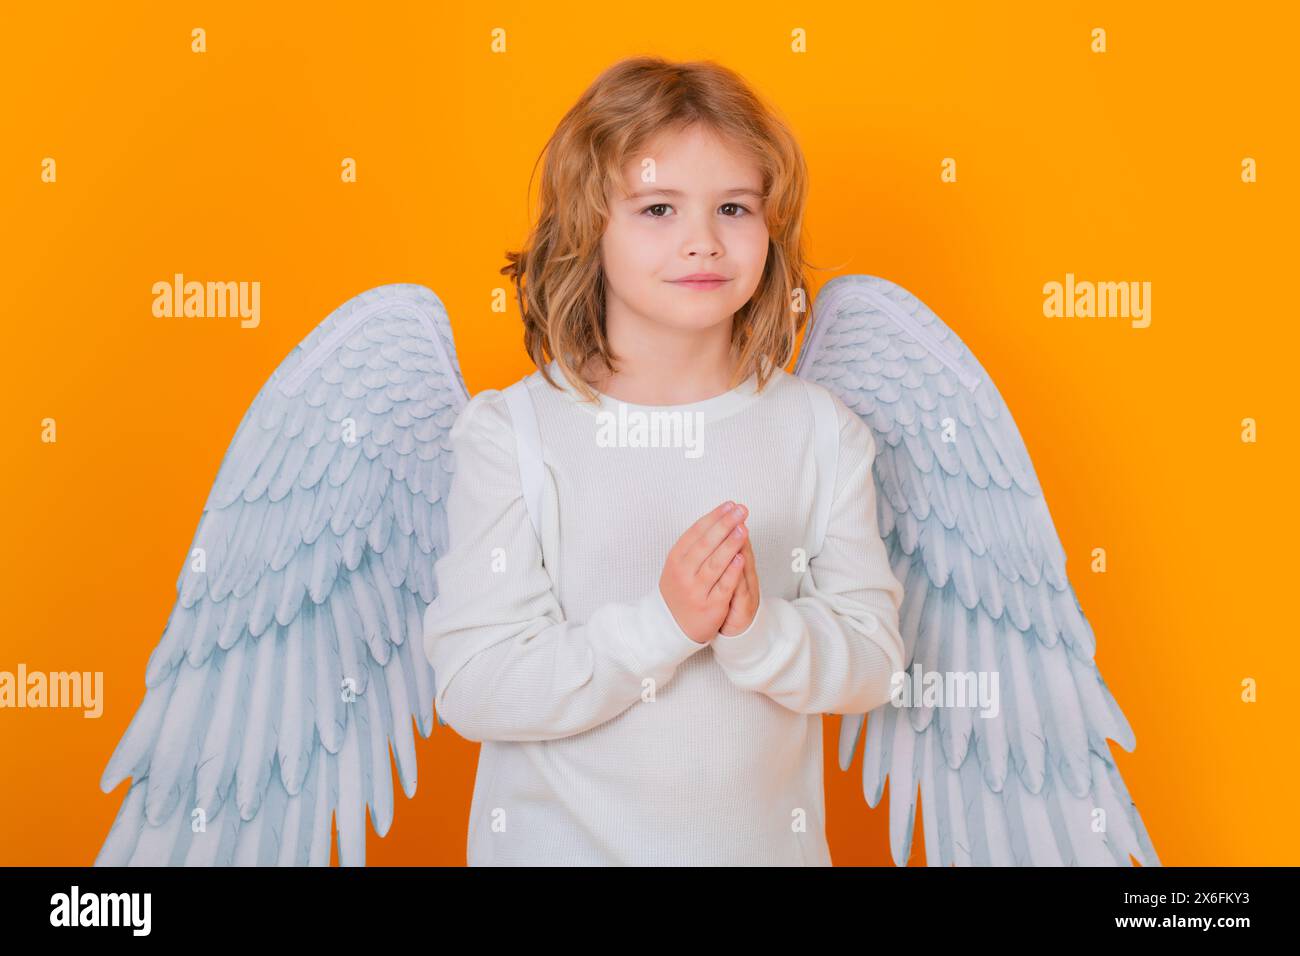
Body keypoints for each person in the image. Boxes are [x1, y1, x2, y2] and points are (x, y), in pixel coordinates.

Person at [423, 55, 905, 866]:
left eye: (733, 207)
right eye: (657, 207)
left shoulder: (822, 433)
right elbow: (477, 684)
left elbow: (874, 665)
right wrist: (667, 625)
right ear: (587, 229)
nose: (703, 241)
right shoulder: (514, 435)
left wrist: (757, 631)